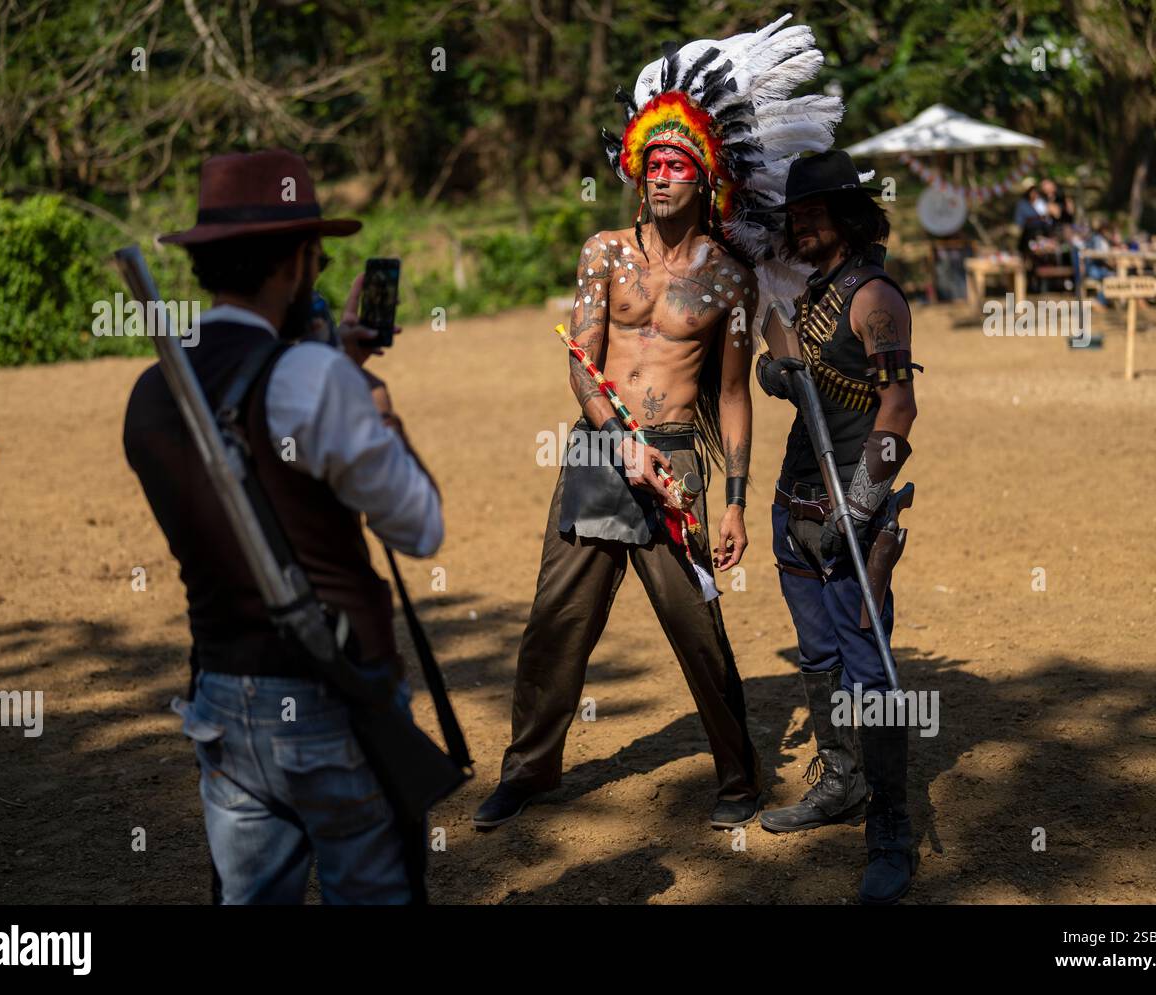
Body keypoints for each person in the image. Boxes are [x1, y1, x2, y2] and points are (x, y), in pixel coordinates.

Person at [472, 14, 844, 832]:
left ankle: (738, 777)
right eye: (651, 165)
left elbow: (736, 394)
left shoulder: (729, 278)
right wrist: (618, 438)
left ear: (705, 177)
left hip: (675, 464)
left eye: (677, 166)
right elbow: (579, 357)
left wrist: (738, 501)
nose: (662, 179)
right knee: (554, 624)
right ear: (635, 172)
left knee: (696, 629)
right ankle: (529, 770)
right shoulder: (604, 252)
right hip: (601, 454)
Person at [123, 150, 443, 904]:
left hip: (221, 699)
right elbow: (418, 527)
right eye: (318, 257)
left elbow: (253, 431)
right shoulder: (317, 379)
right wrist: (373, 403)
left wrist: (333, 363)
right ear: (298, 262)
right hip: (332, 702)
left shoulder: (150, 391)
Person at [754, 150, 921, 905]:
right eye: (796, 215)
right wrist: (773, 357)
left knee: (870, 672)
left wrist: (857, 508)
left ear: (849, 216)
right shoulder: (810, 291)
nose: (803, 224)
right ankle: (841, 783)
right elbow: (793, 366)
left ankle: (891, 831)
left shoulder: (874, 296)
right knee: (819, 659)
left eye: (816, 212)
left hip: (852, 521)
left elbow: (898, 411)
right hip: (794, 508)